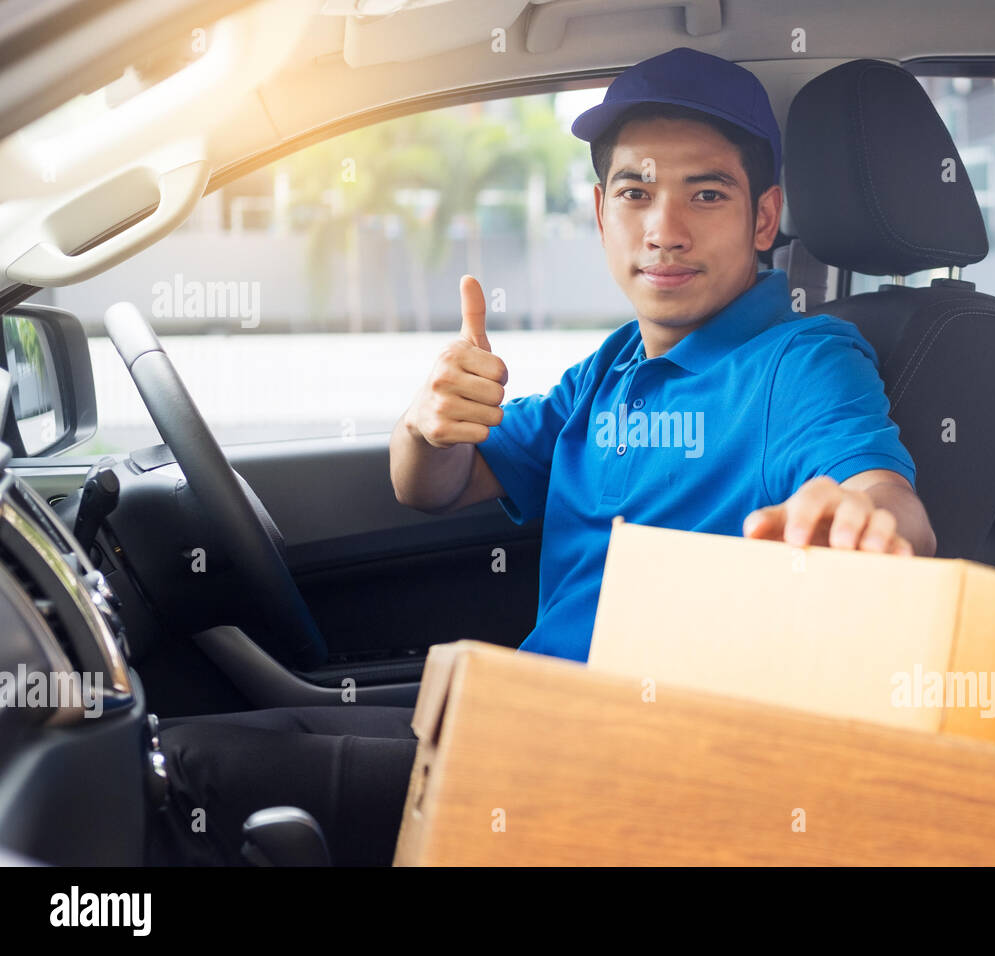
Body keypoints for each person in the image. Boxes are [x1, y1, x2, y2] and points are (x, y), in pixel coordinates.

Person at [149, 47, 935, 867]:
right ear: (602, 213)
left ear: (763, 219)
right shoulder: (610, 369)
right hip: (524, 720)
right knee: (173, 742)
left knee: (183, 778)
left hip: (629, 771)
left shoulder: (804, 359)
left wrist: (867, 519)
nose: (664, 230)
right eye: (636, 193)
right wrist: (428, 423)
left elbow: (883, 495)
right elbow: (432, 488)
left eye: (707, 193)